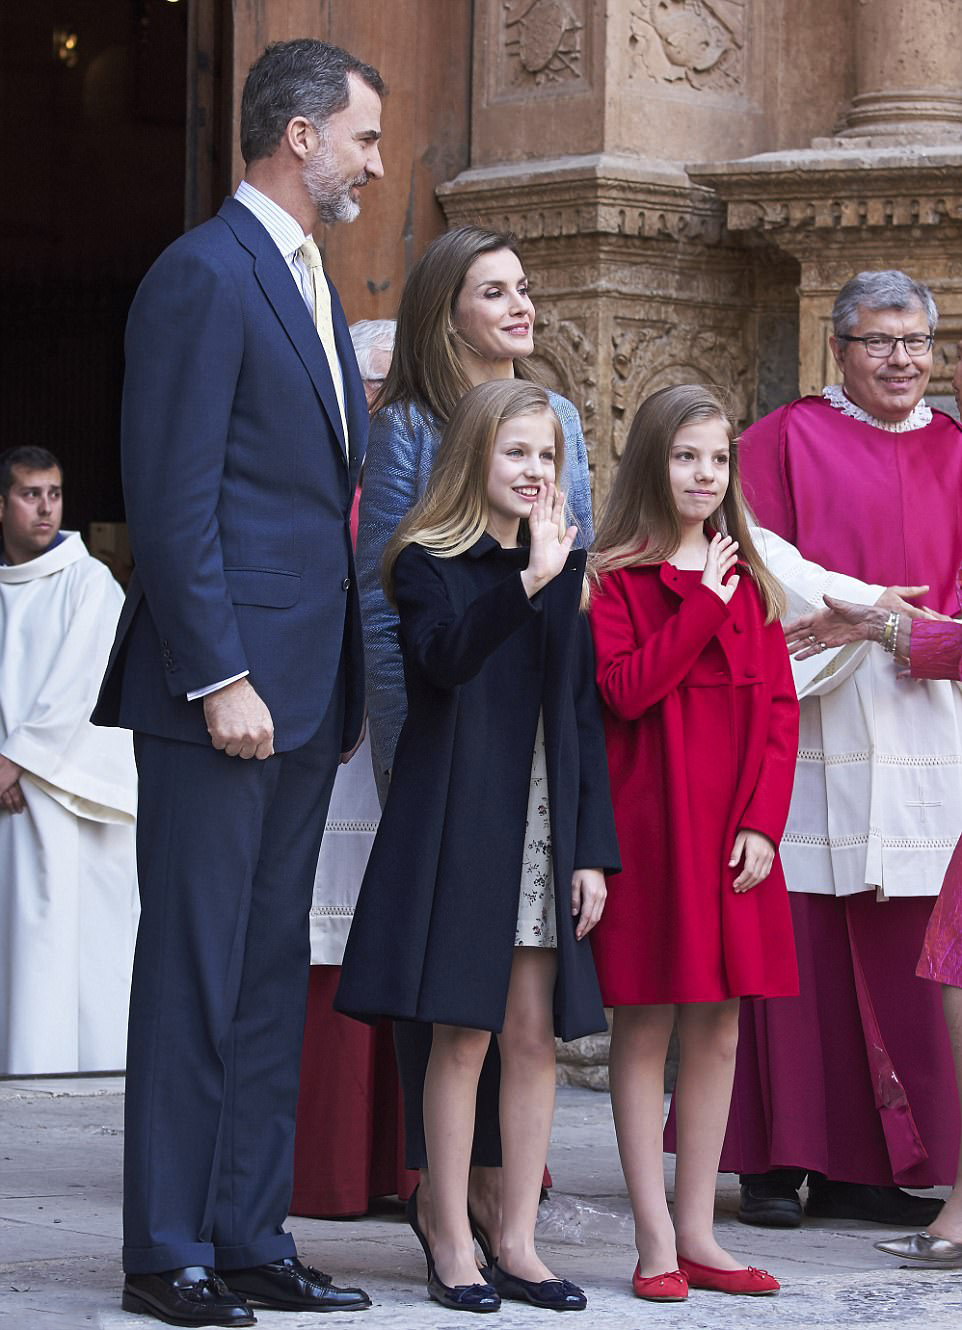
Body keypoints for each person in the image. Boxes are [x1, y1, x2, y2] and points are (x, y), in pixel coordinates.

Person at [93, 39, 385, 1327]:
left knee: (271, 970)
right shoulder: (201, 273)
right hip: (222, 694)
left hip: (304, 691)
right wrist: (218, 673)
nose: (377, 160)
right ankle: (166, 1247)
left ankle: (249, 1234)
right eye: (364, 138)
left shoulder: (313, 280)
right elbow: (170, 497)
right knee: (196, 970)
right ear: (301, 135)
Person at [337, 380, 620, 1313]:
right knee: (462, 1032)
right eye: (516, 454)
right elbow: (444, 662)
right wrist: (528, 582)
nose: (535, 471)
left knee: (533, 1035)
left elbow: (578, 710)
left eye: (547, 455)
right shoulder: (426, 558)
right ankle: (449, 1230)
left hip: (545, 817)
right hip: (465, 816)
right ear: (473, 460)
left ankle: (519, 1240)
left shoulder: (563, 559)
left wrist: (591, 851)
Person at [356, 223, 594, 1259]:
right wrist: (411, 757)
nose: (516, 305)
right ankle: (448, 1208)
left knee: (526, 1015)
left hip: (532, 756)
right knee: (451, 1000)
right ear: (446, 305)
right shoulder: (411, 424)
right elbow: (391, 614)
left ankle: (510, 1209)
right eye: (490, 289)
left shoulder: (559, 420)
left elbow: (567, 604)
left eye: (523, 288)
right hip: (447, 748)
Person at [724, 270, 962, 1229]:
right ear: (838, 348)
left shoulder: (959, 449)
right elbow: (744, 556)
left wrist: (907, 632)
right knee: (801, 939)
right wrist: (856, 612)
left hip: (927, 722)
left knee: (911, 941)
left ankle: (879, 1162)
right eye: (878, 342)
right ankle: (781, 1159)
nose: (900, 360)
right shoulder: (780, 441)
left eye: (916, 342)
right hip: (813, 714)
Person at [588, 385, 797, 1301]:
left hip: (732, 839)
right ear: (650, 464)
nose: (705, 474)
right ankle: (653, 1240)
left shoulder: (751, 580)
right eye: (685, 457)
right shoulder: (615, 577)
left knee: (719, 1030)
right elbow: (626, 691)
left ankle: (702, 1231)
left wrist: (763, 820)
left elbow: (780, 710)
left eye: (718, 459)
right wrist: (700, 609)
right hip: (654, 832)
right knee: (645, 1031)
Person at [291, 316, 415, 1219]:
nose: (384, 402)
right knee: (324, 937)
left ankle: (421, 1164)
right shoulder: (317, 477)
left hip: (415, 735)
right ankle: (329, 1160)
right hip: (332, 741)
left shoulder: (427, 470)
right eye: (375, 385)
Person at [0, 446, 138, 1076]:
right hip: (14, 782)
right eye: (30, 494)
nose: (45, 507)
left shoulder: (89, 583)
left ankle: (59, 1068)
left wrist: (17, 758)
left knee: (60, 936)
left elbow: (79, 683)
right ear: (3, 504)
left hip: (61, 792)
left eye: (53, 493)